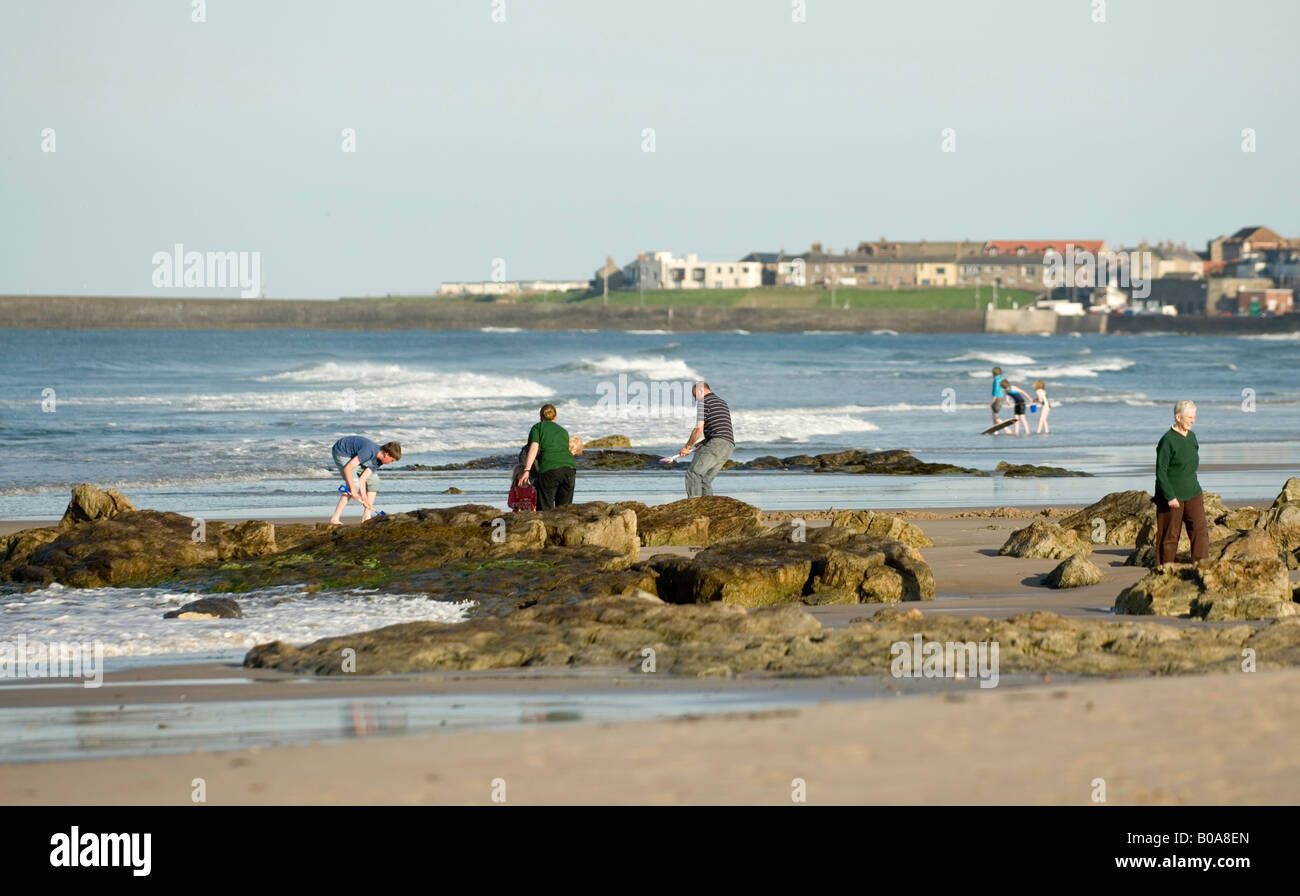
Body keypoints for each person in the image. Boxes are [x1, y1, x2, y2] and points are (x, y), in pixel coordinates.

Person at [1153, 400, 1208, 566]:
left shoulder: (1192, 437)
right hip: (1171, 496)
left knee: (1200, 531)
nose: (1193, 421)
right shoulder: (1167, 440)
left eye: (1194, 417)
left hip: (1193, 492)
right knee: (1169, 535)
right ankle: (1164, 570)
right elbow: (1160, 472)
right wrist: (1170, 496)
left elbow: (1190, 466)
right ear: (1178, 417)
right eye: (1189, 417)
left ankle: (1201, 568)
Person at [328, 436, 401, 524]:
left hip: (356, 456)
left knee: (374, 481)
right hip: (342, 451)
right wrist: (354, 491)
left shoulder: (379, 461)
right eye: (392, 460)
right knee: (354, 485)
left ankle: (366, 517)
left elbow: (363, 479)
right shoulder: (368, 451)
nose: (391, 463)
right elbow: (348, 468)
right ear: (386, 455)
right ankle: (335, 518)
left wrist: (365, 498)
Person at [680, 381, 734, 498]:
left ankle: (694, 507)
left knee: (693, 474)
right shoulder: (722, 402)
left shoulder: (703, 402)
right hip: (728, 446)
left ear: (700, 391)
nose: (695, 399)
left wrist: (687, 447)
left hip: (717, 444)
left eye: (695, 396)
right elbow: (720, 428)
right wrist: (702, 443)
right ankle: (709, 511)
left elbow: (698, 429)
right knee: (704, 480)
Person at [517, 404, 576, 510]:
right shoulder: (563, 431)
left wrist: (527, 470)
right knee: (564, 510)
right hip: (569, 470)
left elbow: (533, 448)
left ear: (540, 417)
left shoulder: (538, 427)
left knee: (545, 510)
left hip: (550, 470)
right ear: (555, 417)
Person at [990, 366, 1008, 431]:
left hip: (997, 399)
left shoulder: (996, 379)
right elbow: (1005, 389)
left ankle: (1006, 429)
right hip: (1001, 398)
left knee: (995, 417)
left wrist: (993, 400)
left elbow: (996, 390)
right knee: (994, 415)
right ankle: (995, 431)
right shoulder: (1002, 378)